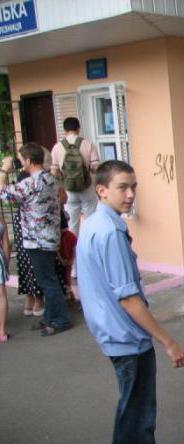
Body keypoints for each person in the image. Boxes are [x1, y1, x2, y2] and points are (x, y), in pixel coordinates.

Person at [77, 160, 184, 444]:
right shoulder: (108, 232)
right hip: (127, 339)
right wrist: (168, 341)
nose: (130, 195)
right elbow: (129, 299)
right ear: (102, 190)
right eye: (123, 187)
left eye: (134, 187)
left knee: (128, 411)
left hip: (113, 335)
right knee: (140, 420)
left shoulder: (96, 223)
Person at [0, 143, 72, 336]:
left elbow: (3, 193)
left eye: (22, 160)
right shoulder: (51, 178)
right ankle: (50, 316)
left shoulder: (30, 183)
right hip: (49, 237)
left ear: (29, 161)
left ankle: (60, 320)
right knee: (48, 280)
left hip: (37, 240)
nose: (21, 164)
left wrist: (4, 170)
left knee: (47, 281)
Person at [50, 117, 100, 245]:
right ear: (78, 128)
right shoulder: (88, 144)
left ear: (64, 130)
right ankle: (91, 249)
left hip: (68, 190)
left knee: (72, 224)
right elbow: (95, 167)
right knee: (92, 221)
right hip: (87, 188)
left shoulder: (57, 147)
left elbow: (54, 172)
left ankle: (74, 258)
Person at [0, 211, 9, 342]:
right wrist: (6, 263)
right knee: (1, 294)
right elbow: (6, 244)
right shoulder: (1, 220)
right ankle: (1, 330)